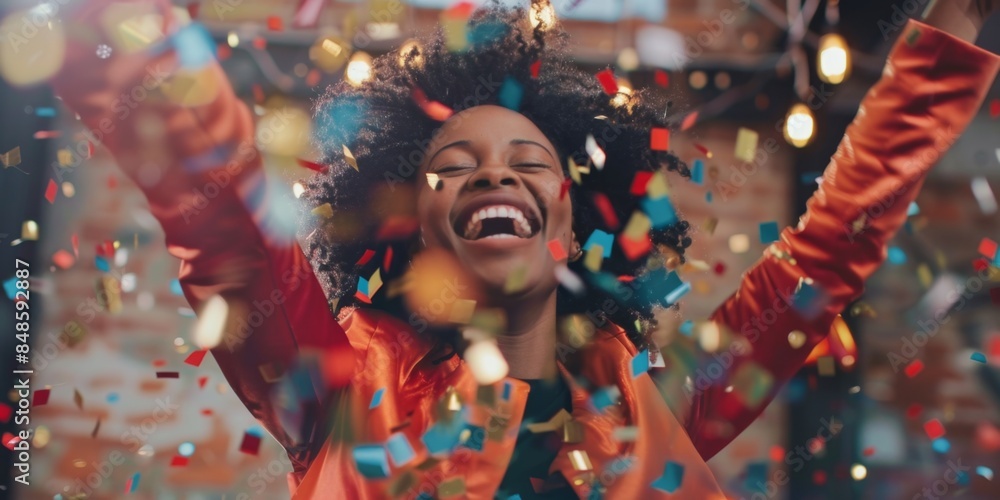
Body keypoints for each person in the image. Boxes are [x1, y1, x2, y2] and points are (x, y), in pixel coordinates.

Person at [48, 0, 1000, 498]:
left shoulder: (655, 407)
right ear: (414, 224)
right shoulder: (335, 386)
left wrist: (952, 30)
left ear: (567, 221)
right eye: (451, 167)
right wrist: (119, 31)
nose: (488, 177)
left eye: (526, 165)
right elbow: (217, 208)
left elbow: (824, 259)